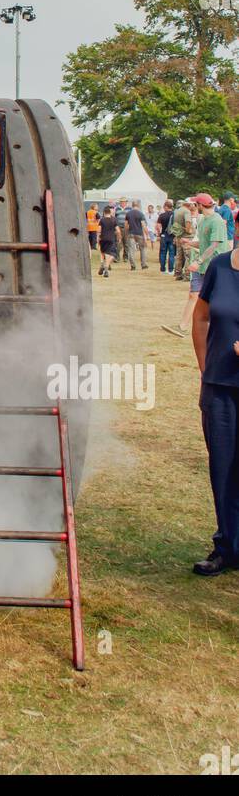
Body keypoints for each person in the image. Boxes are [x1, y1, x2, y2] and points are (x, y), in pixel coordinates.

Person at [190, 238, 239, 574]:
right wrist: (206, 369)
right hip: (220, 387)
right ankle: (227, 547)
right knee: (223, 470)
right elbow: (201, 317)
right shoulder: (220, 266)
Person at [163, 194, 229, 339]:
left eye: (194, 204)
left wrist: (197, 261)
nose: (192, 206)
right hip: (202, 265)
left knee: (214, 300)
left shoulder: (216, 221)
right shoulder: (204, 220)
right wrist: (189, 243)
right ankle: (182, 327)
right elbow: (205, 243)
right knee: (193, 295)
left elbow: (214, 245)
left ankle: (218, 331)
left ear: (200, 205)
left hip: (213, 266)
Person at [172, 197, 197, 283]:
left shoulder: (177, 211)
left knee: (179, 256)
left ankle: (178, 274)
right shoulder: (187, 211)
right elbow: (188, 222)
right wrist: (189, 230)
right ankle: (187, 275)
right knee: (188, 256)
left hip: (179, 236)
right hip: (187, 237)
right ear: (189, 204)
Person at [125, 199, 149, 270]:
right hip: (139, 234)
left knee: (131, 250)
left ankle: (133, 265)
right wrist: (147, 234)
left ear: (132, 205)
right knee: (143, 249)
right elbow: (143, 225)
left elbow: (126, 225)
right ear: (138, 205)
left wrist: (126, 233)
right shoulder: (141, 214)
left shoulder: (128, 214)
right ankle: (143, 264)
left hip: (131, 233)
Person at [97, 204, 118, 278]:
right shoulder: (114, 220)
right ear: (110, 212)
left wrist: (98, 238)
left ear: (104, 213)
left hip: (103, 239)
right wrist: (119, 237)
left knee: (103, 253)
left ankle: (103, 264)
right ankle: (106, 268)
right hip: (111, 239)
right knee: (110, 254)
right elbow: (118, 230)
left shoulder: (102, 220)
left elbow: (99, 230)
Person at [156, 199, 176, 274]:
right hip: (172, 235)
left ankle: (162, 269)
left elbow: (158, 226)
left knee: (163, 252)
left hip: (164, 235)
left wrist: (159, 234)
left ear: (166, 207)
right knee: (171, 253)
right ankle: (170, 270)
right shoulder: (174, 215)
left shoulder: (162, 215)